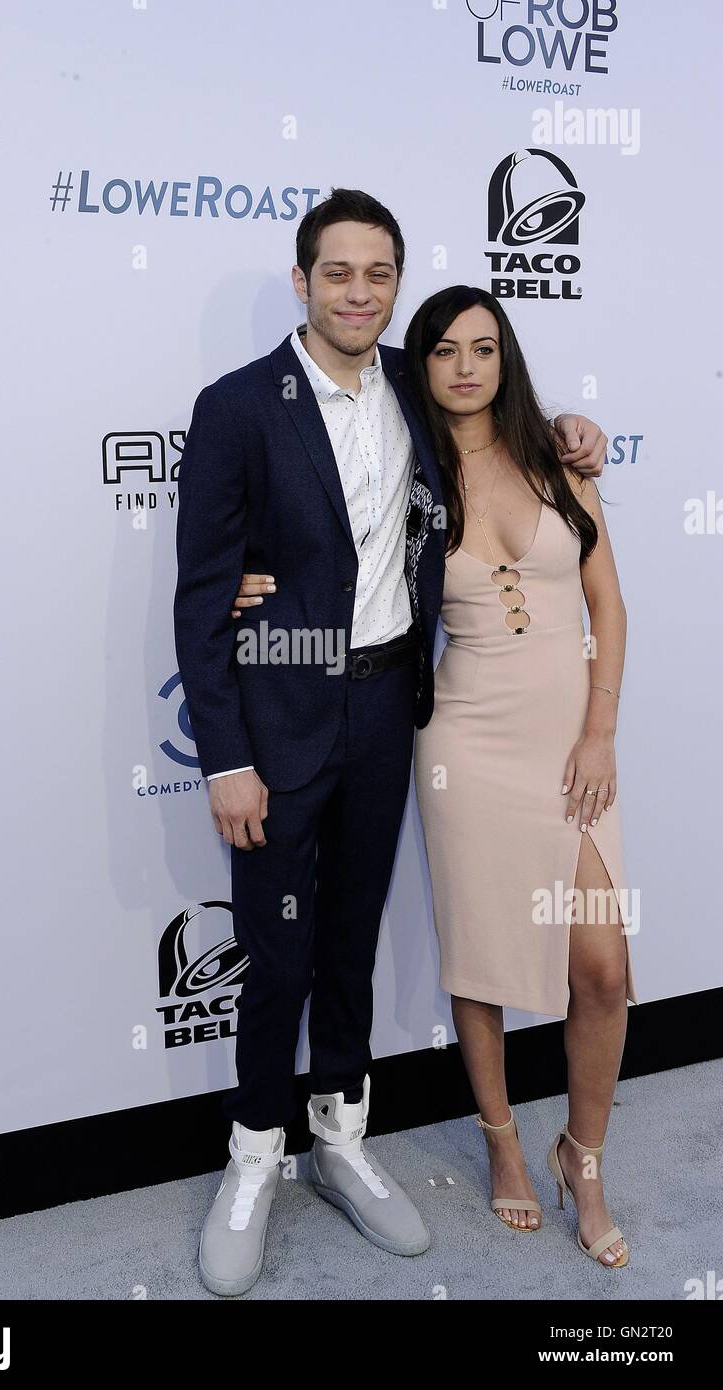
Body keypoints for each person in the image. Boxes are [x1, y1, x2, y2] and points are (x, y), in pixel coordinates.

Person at [174, 189, 606, 1297]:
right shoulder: (236, 406)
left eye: (379, 276)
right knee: (275, 955)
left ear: (395, 287)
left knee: (350, 941)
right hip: (277, 711)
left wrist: (574, 435)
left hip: (388, 712)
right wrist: (225, 758)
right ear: (303, 280)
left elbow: (502, 419)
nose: (359, 293)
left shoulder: (420, 386)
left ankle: (342, 1135)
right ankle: (255, 1154)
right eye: (338, 274)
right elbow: (200, 596)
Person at [405, 285, 635, 1267]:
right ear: (419, 366)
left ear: (507, 358)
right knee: (481, 954)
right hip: (463, 741)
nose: (467, 366)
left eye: (485, 347)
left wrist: (600, 732)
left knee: (605, 969)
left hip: (565, 738)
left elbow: (607, 604)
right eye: (447, 350)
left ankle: (582, 1154)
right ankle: (502, 1141)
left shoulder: (559, 456)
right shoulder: (405, 478)